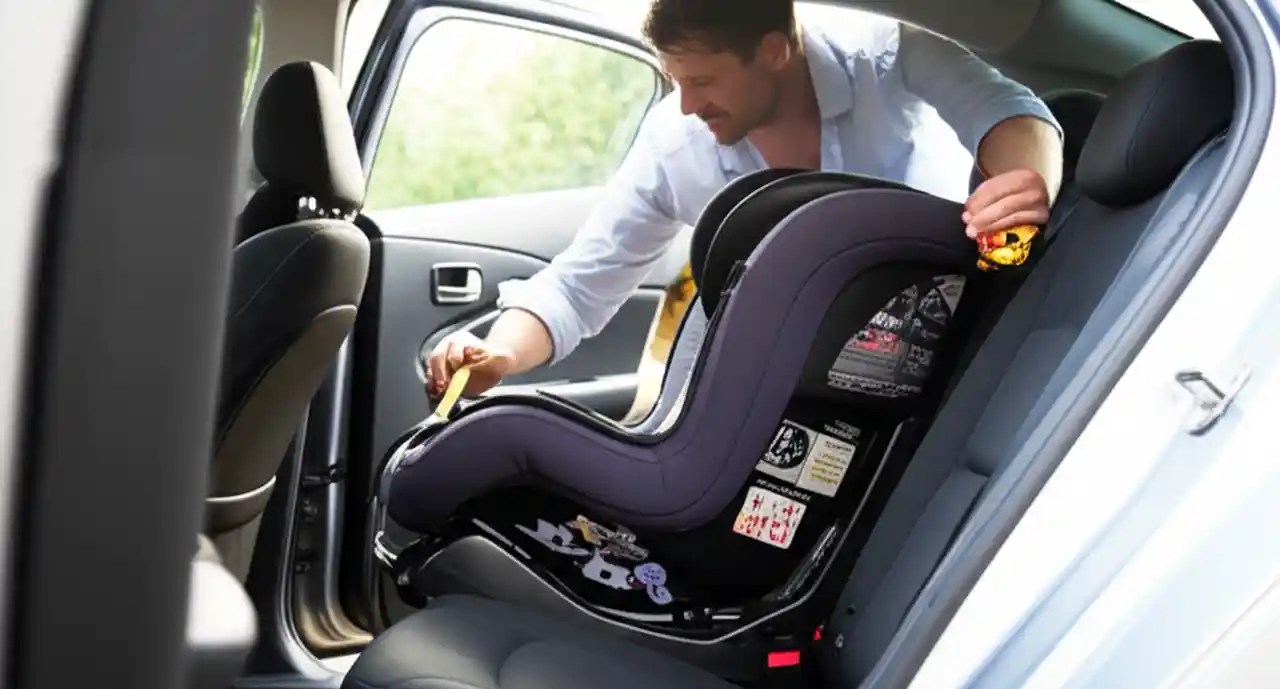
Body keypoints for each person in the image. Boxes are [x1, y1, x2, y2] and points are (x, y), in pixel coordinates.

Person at [426, 0, 1064, 402]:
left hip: (936, 337)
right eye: (676, 81)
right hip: (778, 372)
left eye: (702, 80)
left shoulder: (886, 52)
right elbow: (578, 286)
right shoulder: (676, 146)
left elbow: (1009, 110)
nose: (686, 104)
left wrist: (1024, 188)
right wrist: (501, 354)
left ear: (773, 52)